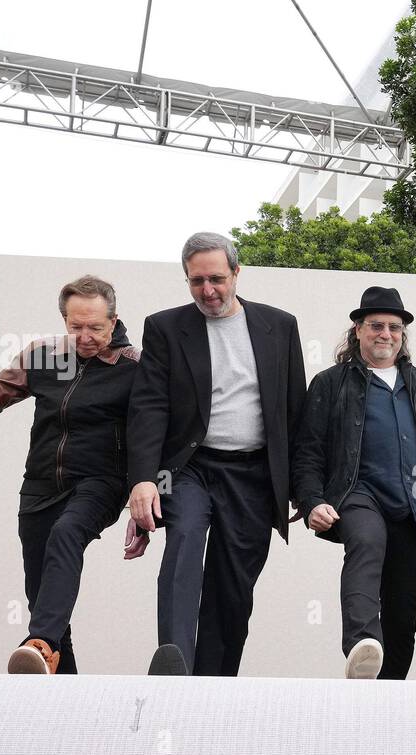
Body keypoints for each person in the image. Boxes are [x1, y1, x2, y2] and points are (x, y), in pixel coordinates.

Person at [0, 276, 139, 674]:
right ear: (65, 319)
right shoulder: (43, 356)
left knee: (66, 534)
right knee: (43, 597)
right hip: (41, 485)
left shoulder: (137, 366)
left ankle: (42, 642)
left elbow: (155, 436)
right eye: (75, 326)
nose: (84, 336)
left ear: (113, 321)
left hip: (101, 481)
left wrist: (145, 502)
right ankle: (61, 686)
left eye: (95, 327)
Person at [127, 232, 305, 676]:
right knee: (184, 542)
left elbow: (294, 410)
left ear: (237, 273)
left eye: (217, 279)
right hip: (191, 468)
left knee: (233, 587)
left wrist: (302, 484)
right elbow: (150, 407)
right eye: (196, 281)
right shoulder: (165, 327)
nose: (208, 290)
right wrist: (143, 478)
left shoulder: (279, 326)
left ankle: (214, 683)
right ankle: (175, 661)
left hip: (253, 476)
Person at [292, 287, 416, 679]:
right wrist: (311, 500)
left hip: (415, 509)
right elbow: (308, 450)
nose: (386, 334)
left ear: (403, 334)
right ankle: (362, 642)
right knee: (366, 541)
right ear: (358, 331)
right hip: (357, 494)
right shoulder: (330, 383)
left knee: (403, 611)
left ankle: (387, 690)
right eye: (376, 325)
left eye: (394, 327)